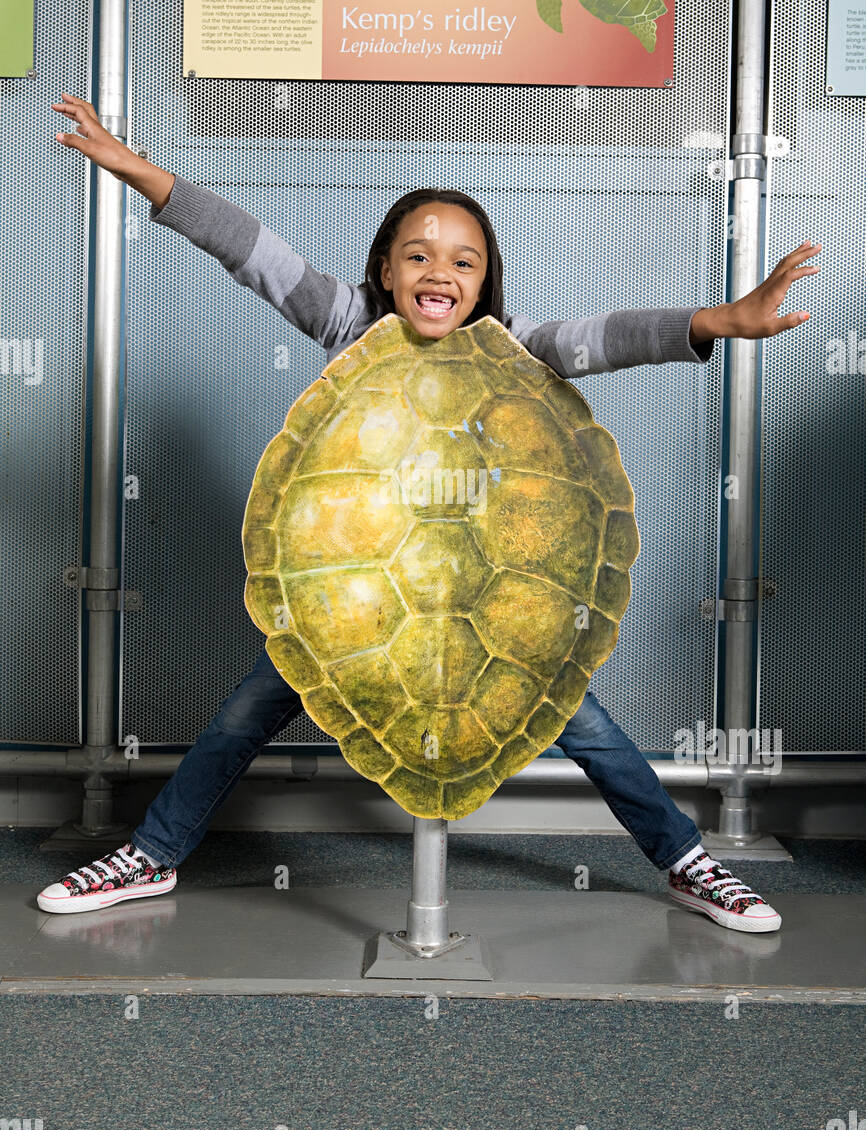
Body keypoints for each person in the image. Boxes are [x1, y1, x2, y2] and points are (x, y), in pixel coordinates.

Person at [37, 92, 821, 932]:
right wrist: (142, 173)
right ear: (386, 271)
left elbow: (611, 335)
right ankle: (150, 856)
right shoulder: (350, 325)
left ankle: (687, 861)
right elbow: (252, 249)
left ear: (484, 281)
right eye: (417, 256)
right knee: (244, 715)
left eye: (462, 262)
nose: (438, 274)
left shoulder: (517, 352)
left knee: (583, 724)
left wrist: (720, 321)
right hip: (360, 609)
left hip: (486, 603)